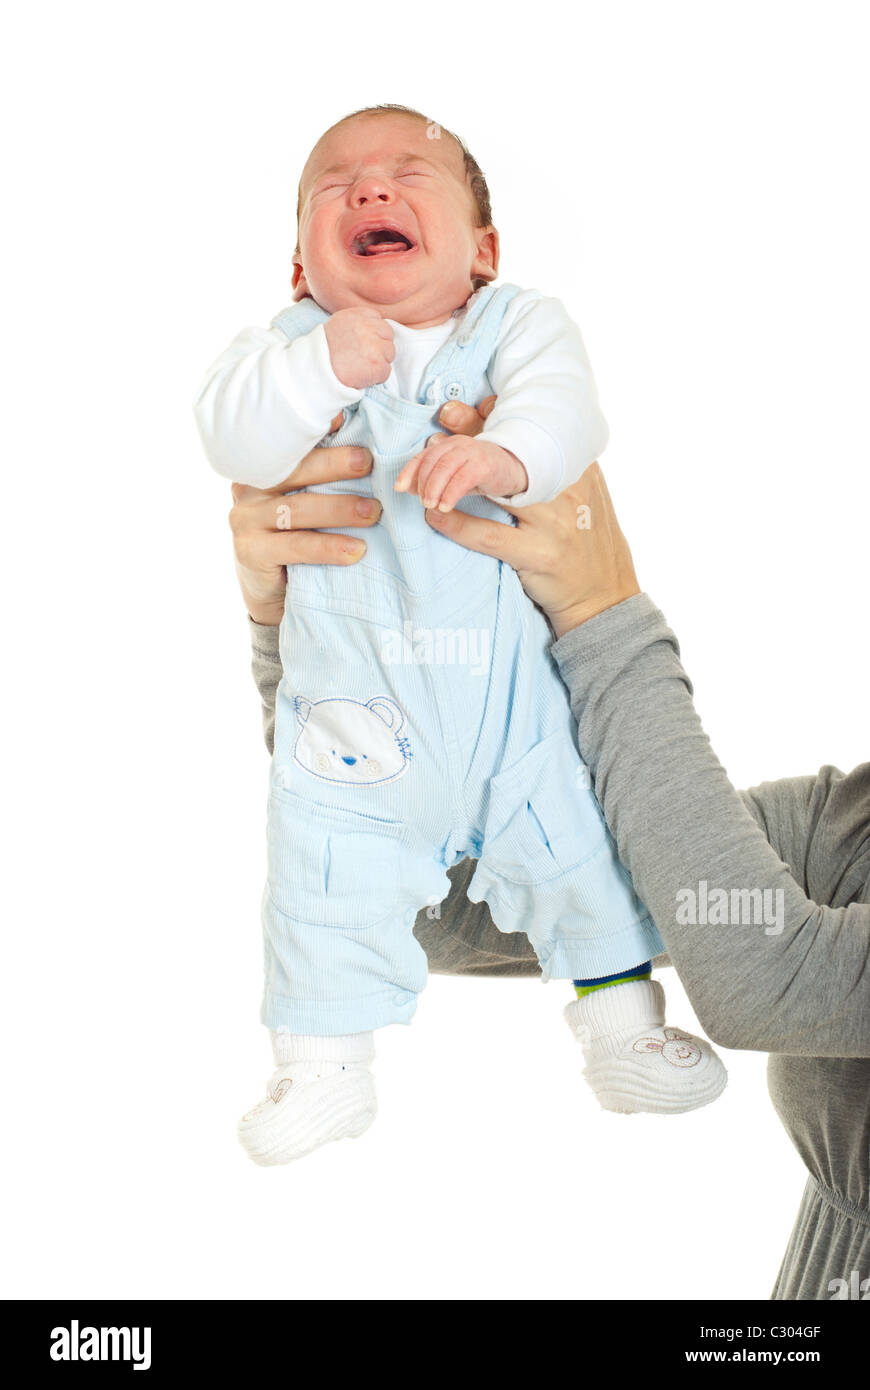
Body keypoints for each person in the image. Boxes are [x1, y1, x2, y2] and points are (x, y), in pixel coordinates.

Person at [228, 398, 869, 1300]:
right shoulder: (856, 823)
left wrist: (603, 615)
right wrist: (315, 633)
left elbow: (767, 981)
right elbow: (453, 915)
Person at [194, 101, 725, 1165]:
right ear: (300, 265)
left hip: (514, 708)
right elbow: (230, 435)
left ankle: (623, 1026)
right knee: (318, 867)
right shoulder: (286, 349)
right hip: (352, 716)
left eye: (406, 173)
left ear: (482, 250)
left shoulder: (516, 327)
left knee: (581, 841)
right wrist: (317, 371)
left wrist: (505, 457)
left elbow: (570, 410)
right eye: (334, 183)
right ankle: (321, 1064)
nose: (371, 189)